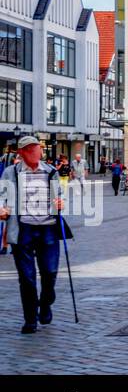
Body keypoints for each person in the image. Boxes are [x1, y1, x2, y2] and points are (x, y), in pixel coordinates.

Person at [0, 136, 67, 333]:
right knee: (27, 277)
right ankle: (30, 319)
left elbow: (58, 196)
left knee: (50, 272)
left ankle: (45, 302)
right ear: (21, 153)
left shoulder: (51, 171)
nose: (34, 152)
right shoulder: (11, 173)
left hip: (48, 228)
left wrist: (60, 203)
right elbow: (2, 195)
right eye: (29, 149)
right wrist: (2, 208)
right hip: (22, 230)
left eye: (36, 148)